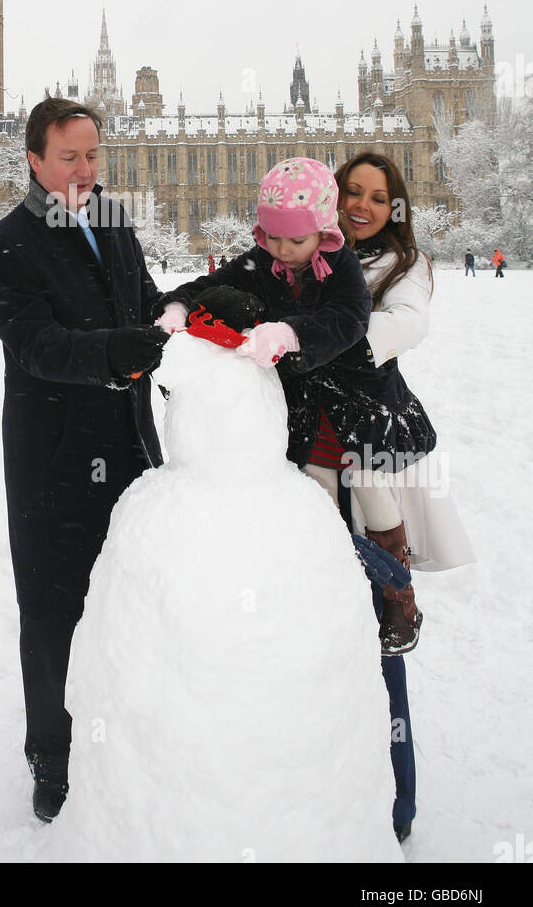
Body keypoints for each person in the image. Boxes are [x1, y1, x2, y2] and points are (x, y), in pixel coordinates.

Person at [156, 157, 435, 657]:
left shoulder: (343, 264)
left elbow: (351, 319)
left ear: (324, 232)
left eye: (295, 241)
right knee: (316, 493)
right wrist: (177, 307)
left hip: (359, 401)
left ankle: (399, 593)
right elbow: (204, 286)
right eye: (274, 239)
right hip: (306, 408)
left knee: (372, 485)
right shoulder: (265, 260)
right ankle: (332, 589)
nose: (283, 251)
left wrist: (290, 334)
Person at [0, 97, 167, 824]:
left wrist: (195, 310)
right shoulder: (6, 245)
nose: (85, 171)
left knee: (122, 589)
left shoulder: (113, 220)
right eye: (69, 158)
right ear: (34, 159)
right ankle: (51, 754)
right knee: (54, 606)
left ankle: (116, 724)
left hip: (127, 443)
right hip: (54, 459)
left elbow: (144, 305)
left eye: (93, 155)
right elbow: (37, 346)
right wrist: (112, 354)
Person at [333, 151, 475, 841]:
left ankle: (399, 803)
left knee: (381, 638)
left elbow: (409, 320)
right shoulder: (310, 252)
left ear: (395, 208)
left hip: (368, 450)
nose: (363, 205)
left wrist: (336, 342)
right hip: (308, 454)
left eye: (377, 197)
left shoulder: (403, 266)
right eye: (352, 192)